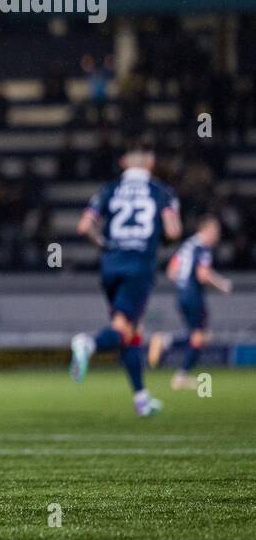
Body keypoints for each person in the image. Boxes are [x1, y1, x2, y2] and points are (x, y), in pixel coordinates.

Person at [70, 137, 182, 415]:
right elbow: (173, 232)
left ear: (123, 163)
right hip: (138, 266)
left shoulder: (110, 189)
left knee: (132, 331)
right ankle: (88, 343)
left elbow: (84, 227)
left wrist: (103, 244)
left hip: (110, 265)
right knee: (123, 329)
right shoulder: (161, 192)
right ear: (151, 162)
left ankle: (141, 399)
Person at [149, 214, 231, 390]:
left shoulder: (187, 245)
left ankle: (167, 344)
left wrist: (184, 283)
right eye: (215, 231)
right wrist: (221, 284)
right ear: (206, 230)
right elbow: (203, 275)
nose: (217, 235)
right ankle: (179, 373)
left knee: (197, 335)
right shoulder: (202, 247)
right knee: (200, 336)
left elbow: (172, 271)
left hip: (181, 294)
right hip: (193, 295)